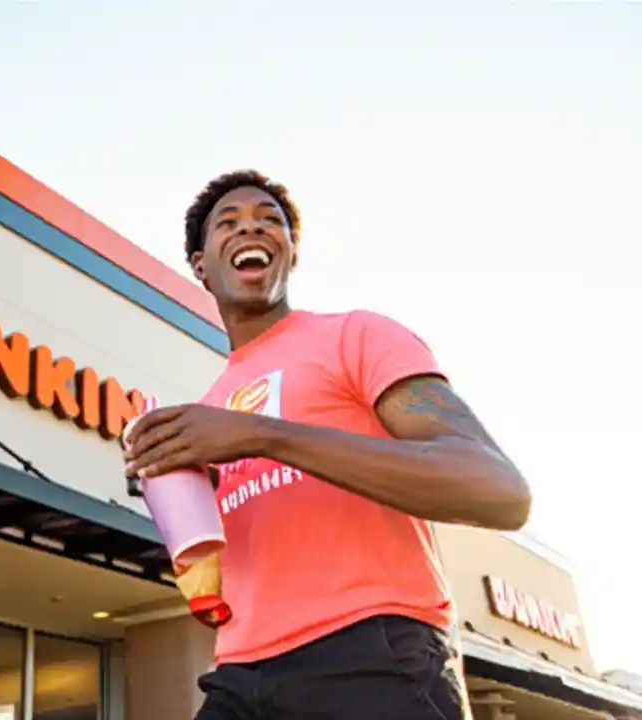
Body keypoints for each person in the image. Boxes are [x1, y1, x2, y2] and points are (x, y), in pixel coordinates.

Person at [122, 170, 532, 720]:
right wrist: (180, 495)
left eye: (271, 221)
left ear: (290, 255)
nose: (254, 229)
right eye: (230, 222)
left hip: (373, 655)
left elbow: (499, 491)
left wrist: (265, 436)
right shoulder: (214, 404)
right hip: (241, 671)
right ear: (201, 264)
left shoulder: (356, 336)